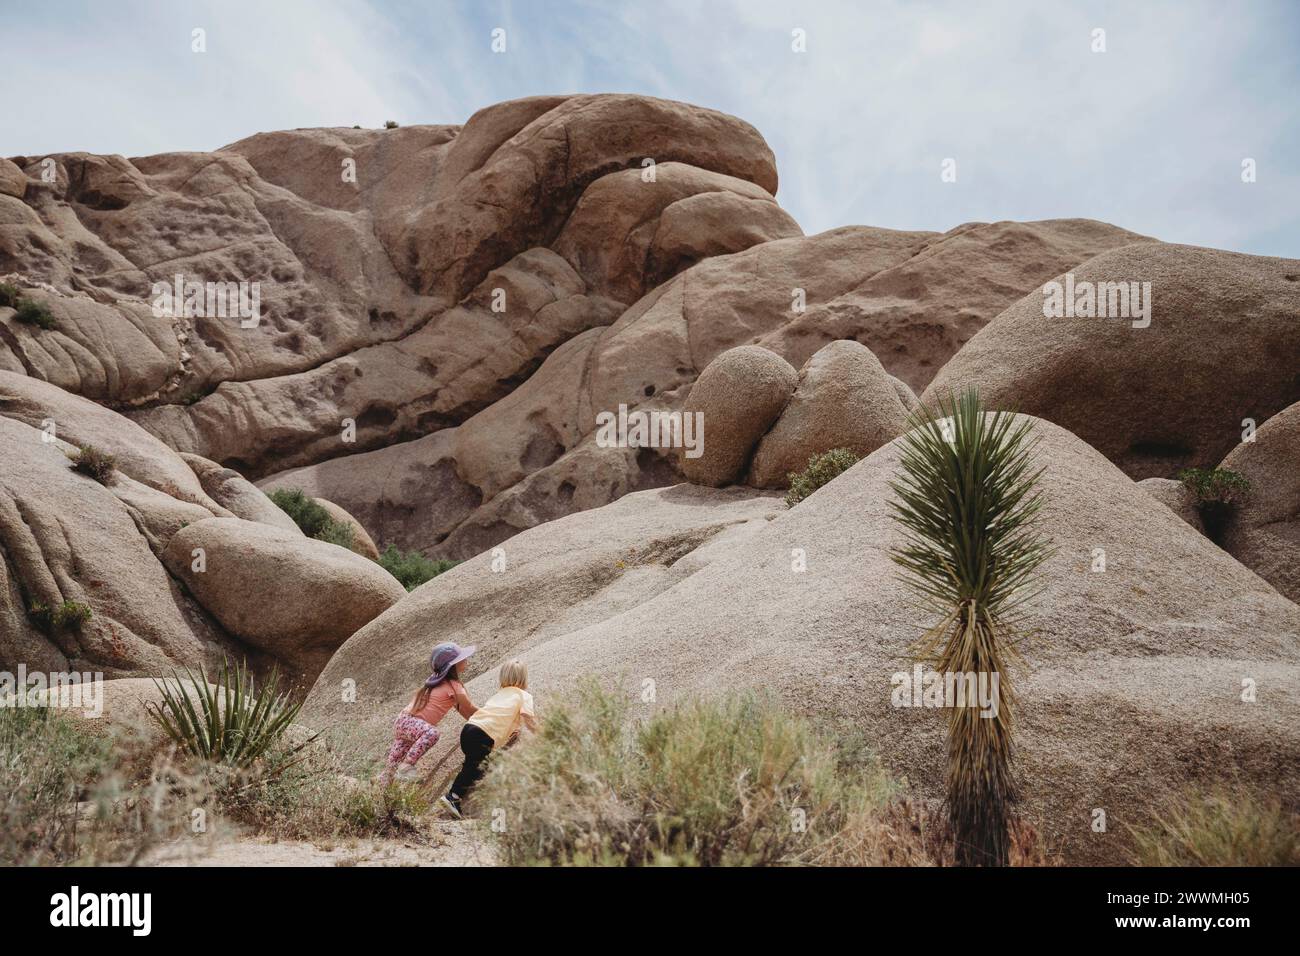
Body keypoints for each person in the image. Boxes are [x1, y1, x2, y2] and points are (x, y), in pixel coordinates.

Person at [439, 658, 537, 817]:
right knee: (474, 766)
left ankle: (455, 799)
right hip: (483, 734)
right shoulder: (524, 695)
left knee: (475, 766)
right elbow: (527, 716)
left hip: (470, 729)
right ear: (524, 678)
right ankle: (452, 796)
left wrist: (513, 730)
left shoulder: (500, 694)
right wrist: (540, 732)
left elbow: (501, 716)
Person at [380, 642, 476, 785]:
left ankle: (381, 781)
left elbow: (464, 711)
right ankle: (406, 767)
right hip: (413, 724)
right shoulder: (454, 687)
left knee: (392, 766)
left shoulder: (435, 681)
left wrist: (475, 723)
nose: (466, 660)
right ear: (452, 666)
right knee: (432, 733)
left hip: (404, 722)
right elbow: (470, 709)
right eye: (462, 658)